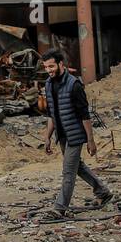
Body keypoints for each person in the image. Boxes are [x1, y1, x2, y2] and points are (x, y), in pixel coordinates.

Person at [40, 49, 110, 219]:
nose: (49, 70)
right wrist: (48, 137)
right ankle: (103, 192)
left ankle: (60, 208)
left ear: (61, 64)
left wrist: (90, 140)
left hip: (75, 135)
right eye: (46, 67)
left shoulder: (74, 85)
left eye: (51, 66)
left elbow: (85, 116)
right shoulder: (49, 84)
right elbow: (51, 114)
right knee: (77, 167)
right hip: (62, 135)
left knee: (68, 172)